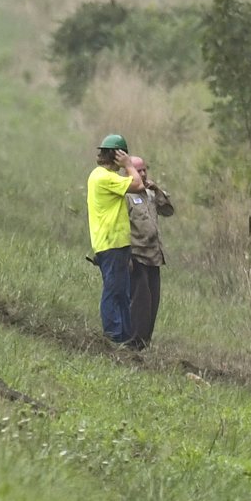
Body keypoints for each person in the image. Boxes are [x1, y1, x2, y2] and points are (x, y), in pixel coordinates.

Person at [85, 134, 143, 344]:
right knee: (114, 291)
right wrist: (129, 165)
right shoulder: (105, 177)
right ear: (117, 155)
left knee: (122, 292)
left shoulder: (98, 175)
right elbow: (138, 184)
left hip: (114, 242)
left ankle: (124, 336)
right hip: (112, 243)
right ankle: (114, 336)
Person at [123, 154, 174, 349]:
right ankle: (133, 341)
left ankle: (145, 342)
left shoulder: (150, 194)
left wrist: (157, 189)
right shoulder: (126, 195)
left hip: (154, 255)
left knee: (154, 300)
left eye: (145, 170)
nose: (143, 174)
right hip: (136, 254)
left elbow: (168, 210)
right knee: (140, 300)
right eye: (139, 170)